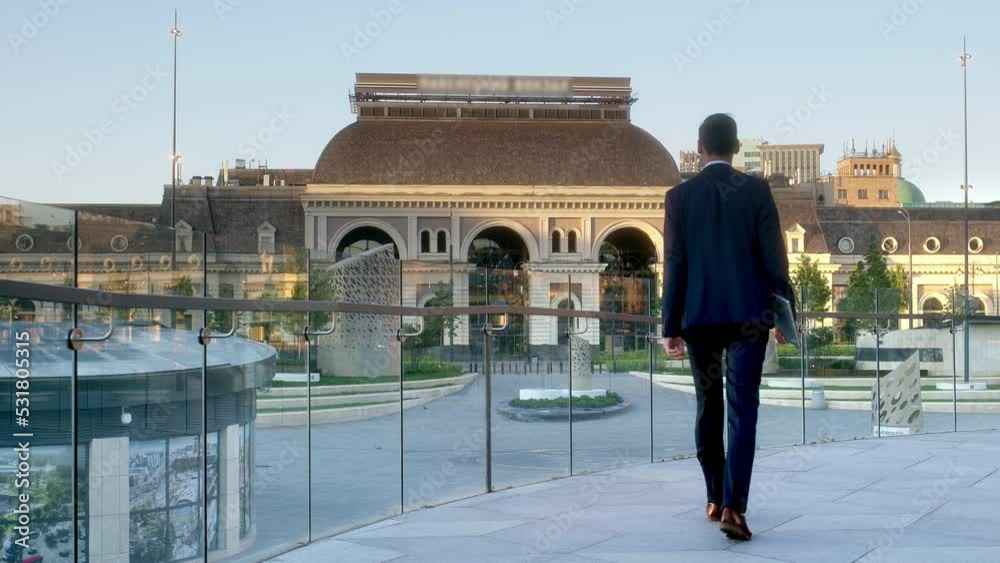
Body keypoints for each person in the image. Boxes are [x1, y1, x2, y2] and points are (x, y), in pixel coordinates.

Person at [660, 113, 795, 541]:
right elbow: (775, 258)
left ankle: (715, 496)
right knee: (743, 410)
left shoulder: (679, 197)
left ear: (700, 148)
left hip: (699, 319)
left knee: (708, 406)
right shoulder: (756, 191)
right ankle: (735, 509)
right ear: (737, 148)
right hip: (750, 319)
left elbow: (675, 265)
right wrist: (783, 313)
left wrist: (671, 325)